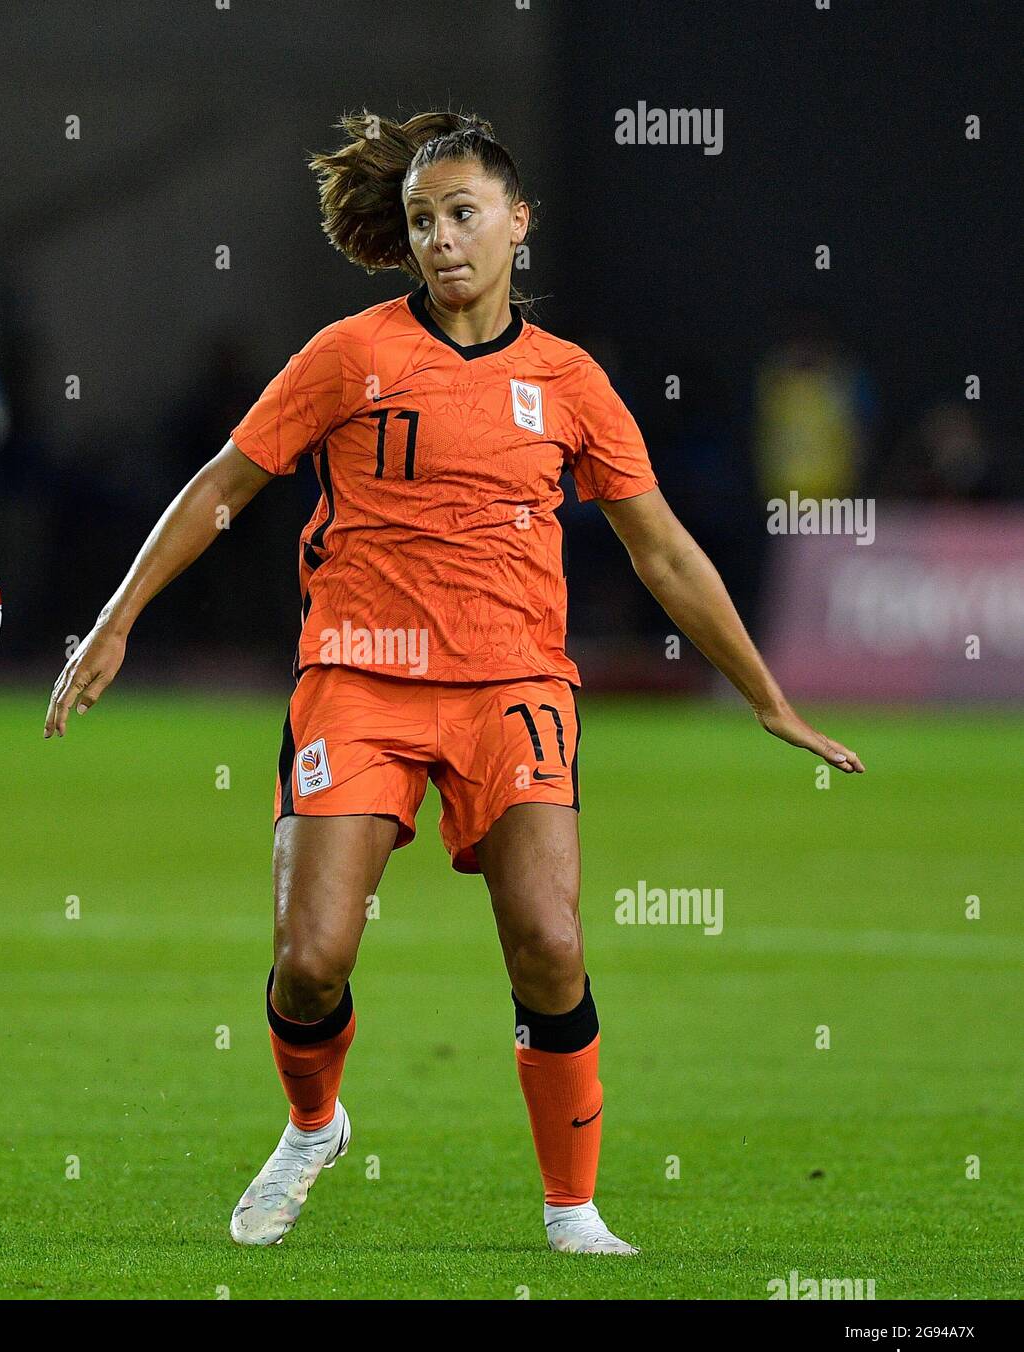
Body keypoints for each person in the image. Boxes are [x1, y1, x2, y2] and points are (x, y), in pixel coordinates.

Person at [45, 112, 864, 1255]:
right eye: (423, 219)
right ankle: (312, 1124)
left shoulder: (570, 382)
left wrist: (766, 696)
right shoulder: (351, 355)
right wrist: (114, 621)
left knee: (548, 941)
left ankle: (571, 1210)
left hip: (512, 684)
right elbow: (222, 485)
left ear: (518, 224)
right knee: (311, 957)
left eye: (462, 213)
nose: (440, 238)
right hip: (357, 677)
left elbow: (663, 550)